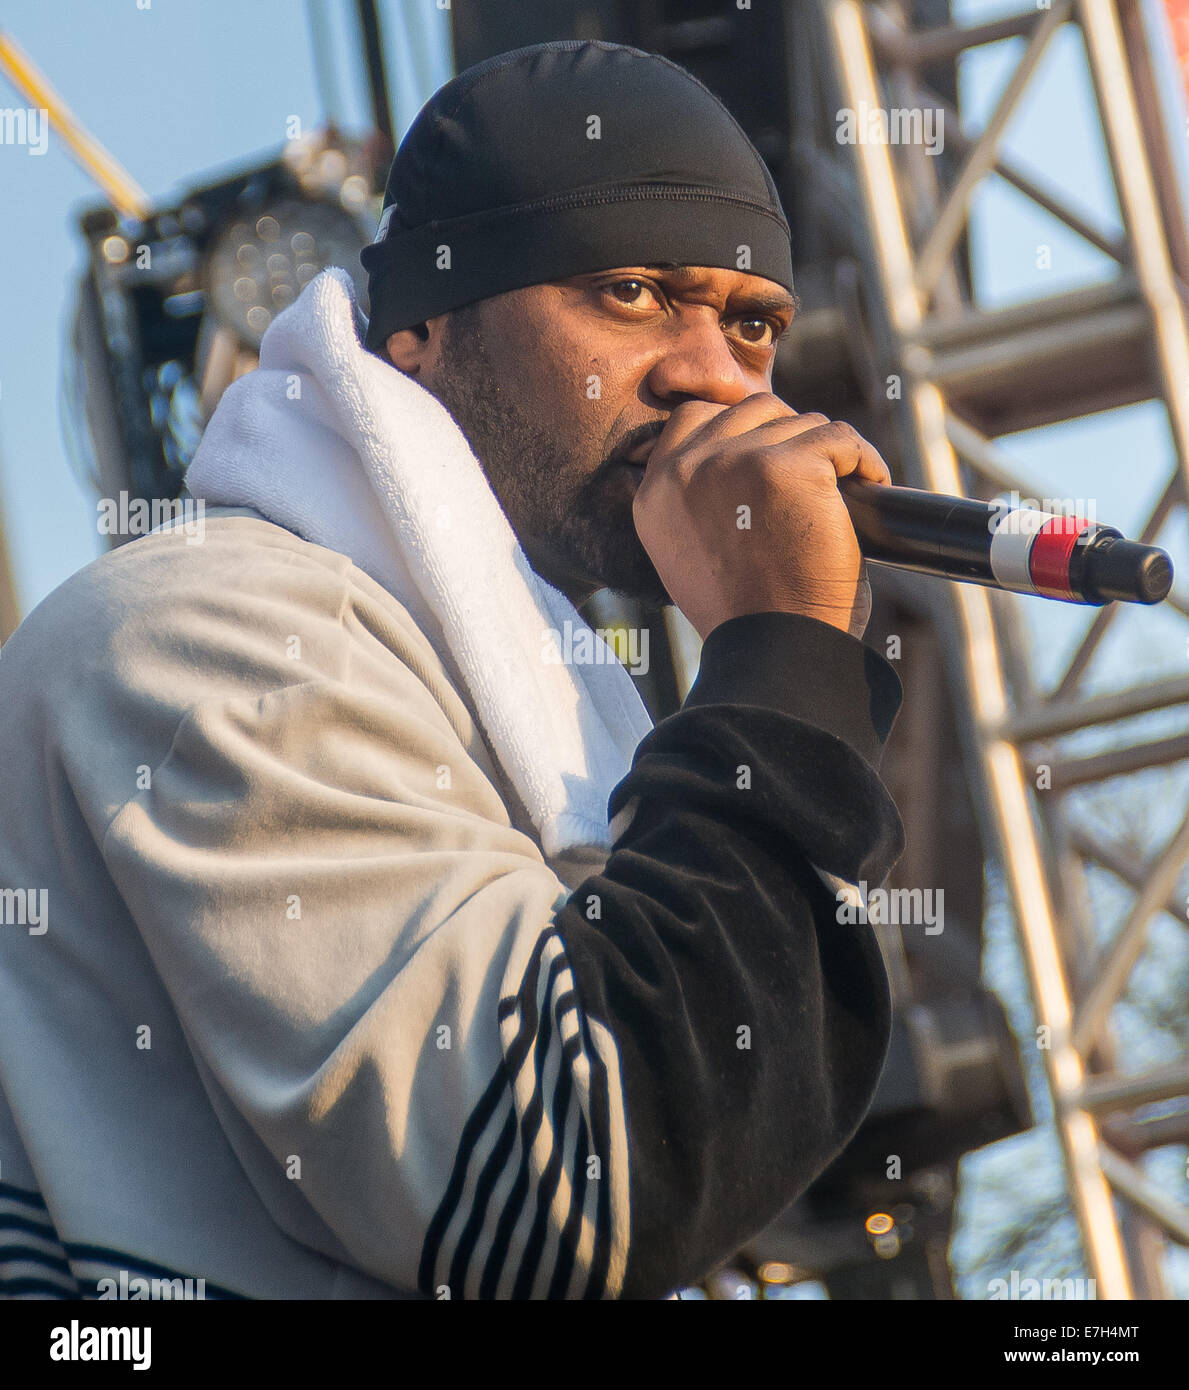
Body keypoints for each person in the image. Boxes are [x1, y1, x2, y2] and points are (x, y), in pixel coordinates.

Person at [0, 39, 903, 1302]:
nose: (713, 373)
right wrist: (785, 661)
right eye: (634, 293)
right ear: (419, 331)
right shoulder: (205, 629)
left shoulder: (538, 703)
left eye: (751, 323)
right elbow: (562, 1189)